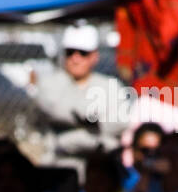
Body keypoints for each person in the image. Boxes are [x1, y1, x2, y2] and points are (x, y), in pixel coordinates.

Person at [32, 23, 124, 161]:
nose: (75, 59)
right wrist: (93, 126)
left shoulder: (110, 85)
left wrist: (83, 125)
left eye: (83, 53)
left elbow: (120, 122)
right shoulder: (49, 84)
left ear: (94, 56)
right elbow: (59, 111)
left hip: (101, 162)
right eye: (70, 52)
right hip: (60, 162)